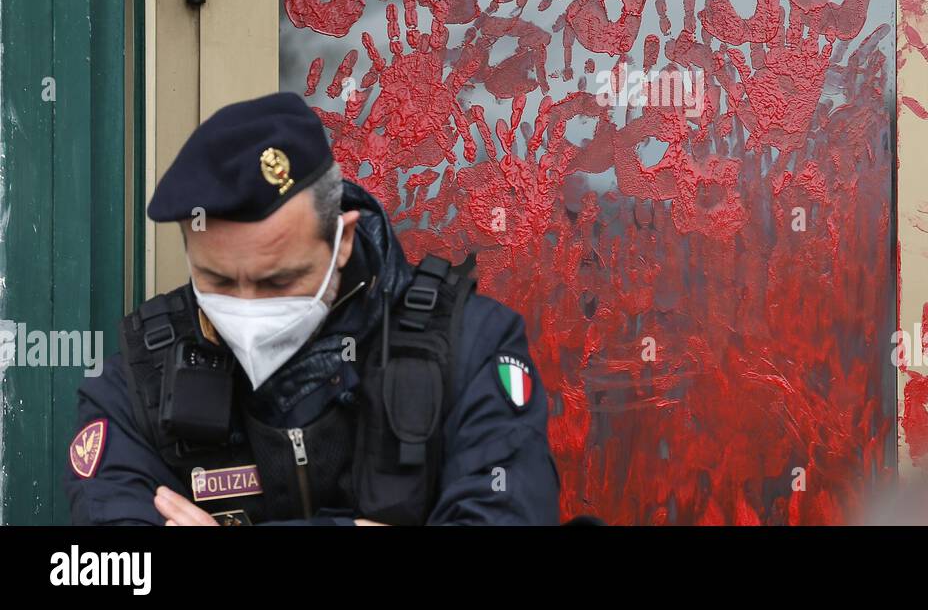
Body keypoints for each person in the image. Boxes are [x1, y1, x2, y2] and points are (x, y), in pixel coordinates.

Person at [64, 91, 560, 525]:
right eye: (216, 281)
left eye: (278, 280)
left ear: (342, 241)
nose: (246, 310)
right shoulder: (141, 377)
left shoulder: (467, 347)